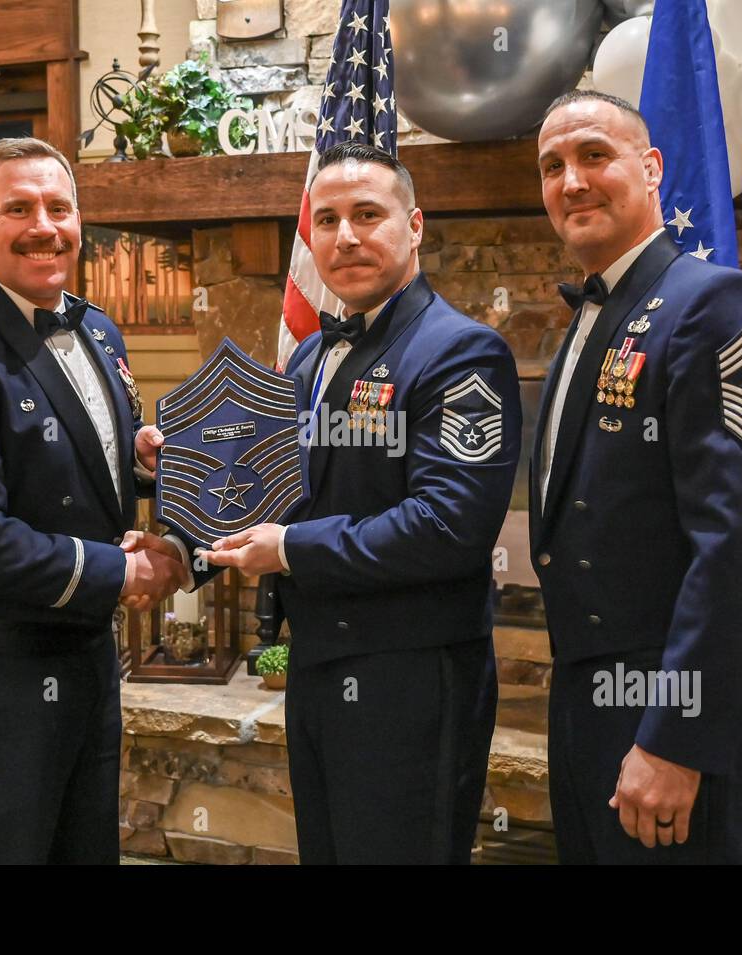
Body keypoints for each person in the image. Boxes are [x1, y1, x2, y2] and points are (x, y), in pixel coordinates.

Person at [199, 141, 521, 864]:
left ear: (414, 227)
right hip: (315, 663)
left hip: (408, 679)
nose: (344, 236)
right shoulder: (311, 356)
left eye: (368, 214)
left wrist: (285, 548)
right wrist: (169, 467)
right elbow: (274, 485)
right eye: (327, 219)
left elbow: (447, 526)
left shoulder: (463, 352)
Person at [0, 136, 187, 864]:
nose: (44, 225)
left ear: (80, 220)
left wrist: (141, 463)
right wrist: (124, 574)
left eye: (59, 206)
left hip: (87, 651)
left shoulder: (98, 329)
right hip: (1, 667)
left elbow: (79, 464)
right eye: (19, 208)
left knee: (87, 849)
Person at [529, 90, 742, 863]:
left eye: (593, 156)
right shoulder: (595, 317)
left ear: (650, 170)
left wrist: (677, 740)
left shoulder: (720, 306)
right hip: (587, 698)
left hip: (667, 708)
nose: (572, 181)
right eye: (552, 167)